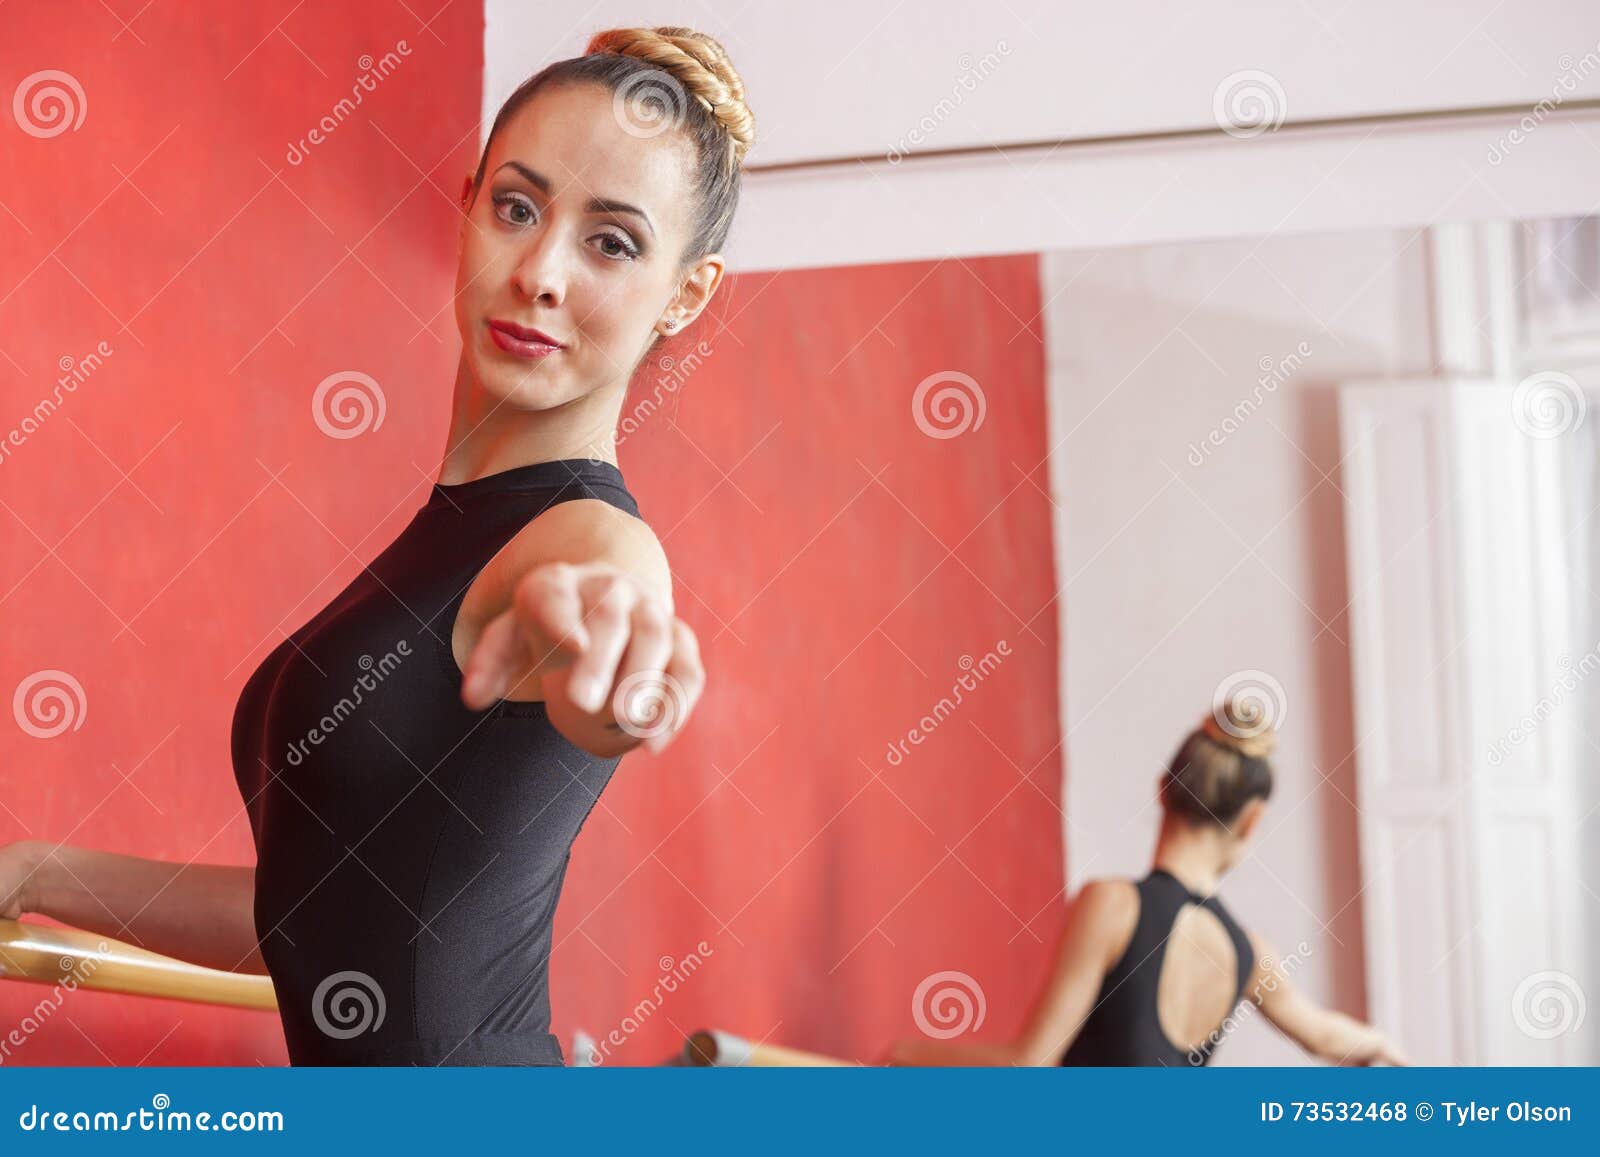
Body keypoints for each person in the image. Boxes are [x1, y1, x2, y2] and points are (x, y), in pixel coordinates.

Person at [0, 25, 753, 1066]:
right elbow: (321, 918)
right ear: (468, 207)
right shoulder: (446, 531)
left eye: (611, 242)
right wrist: (32, 873)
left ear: (686, 293)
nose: (540, 271)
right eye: (518, 207)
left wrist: (609, 653)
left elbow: (600, 602)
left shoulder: (582, 537)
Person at [883, 698, 1410, 1067]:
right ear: (1251, 819)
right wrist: (1384, 1045)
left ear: (1164, 789)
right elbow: (1321, 1035)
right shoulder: (1250, 954)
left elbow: (1027, 1065)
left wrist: (906, 1056)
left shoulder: (1112, 906)